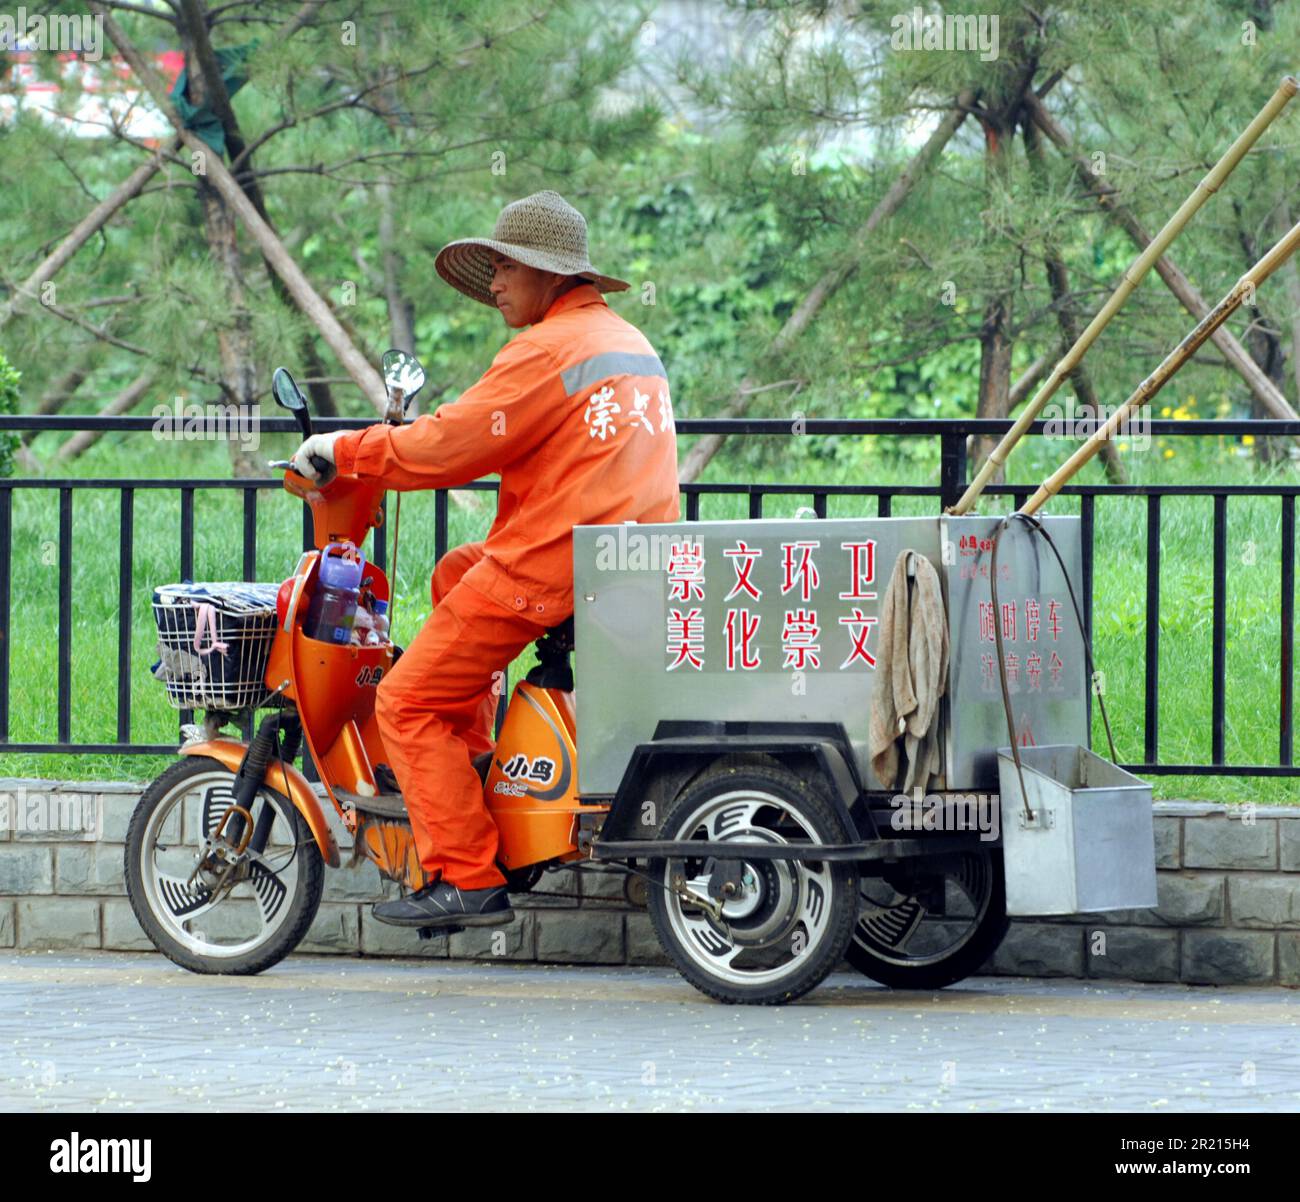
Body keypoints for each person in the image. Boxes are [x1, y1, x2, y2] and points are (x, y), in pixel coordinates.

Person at [290, 190, 680, 929]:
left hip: (553, 565)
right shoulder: (626, 340)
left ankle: (466, 874)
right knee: (455, 572)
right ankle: (471, 763)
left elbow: (453, 442)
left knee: (405, 703)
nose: (494, 284)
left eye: (503, 268)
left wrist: (345, 449)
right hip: (623, 561)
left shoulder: (545, 350)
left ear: (545, 273)